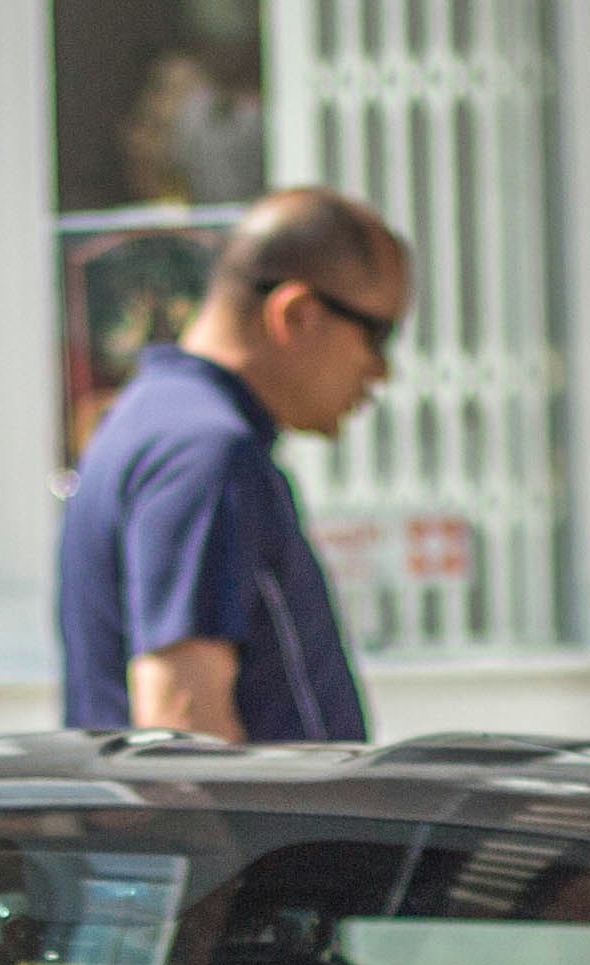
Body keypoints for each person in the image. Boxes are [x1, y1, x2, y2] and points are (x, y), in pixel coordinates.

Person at [56, 185, 405, 746]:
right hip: (247, 836)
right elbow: (183, 722)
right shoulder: (205, 450)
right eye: (379, 334)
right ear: (298, 314)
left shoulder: (154, 417)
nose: (381, 372)